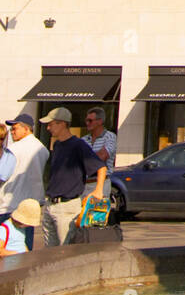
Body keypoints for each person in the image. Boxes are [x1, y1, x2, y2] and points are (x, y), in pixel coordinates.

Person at [40, 107, 107, 247]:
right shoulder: (57, 144)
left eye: (50, 124)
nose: (48, 128)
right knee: (49, 253)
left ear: (62, 124)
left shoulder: (78, 145)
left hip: (67, 206)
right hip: (50, 204)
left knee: (66, 249)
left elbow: (100, 166)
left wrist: (99, 190)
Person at [0, 112, 48, 252]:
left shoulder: (14, 149)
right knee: (24, 248)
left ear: (26, 129)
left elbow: (2, 174)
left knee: (5, 248)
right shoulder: (42, 149)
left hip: (9, 205)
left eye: (15, 128)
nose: (12, 132)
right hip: (30, 207)